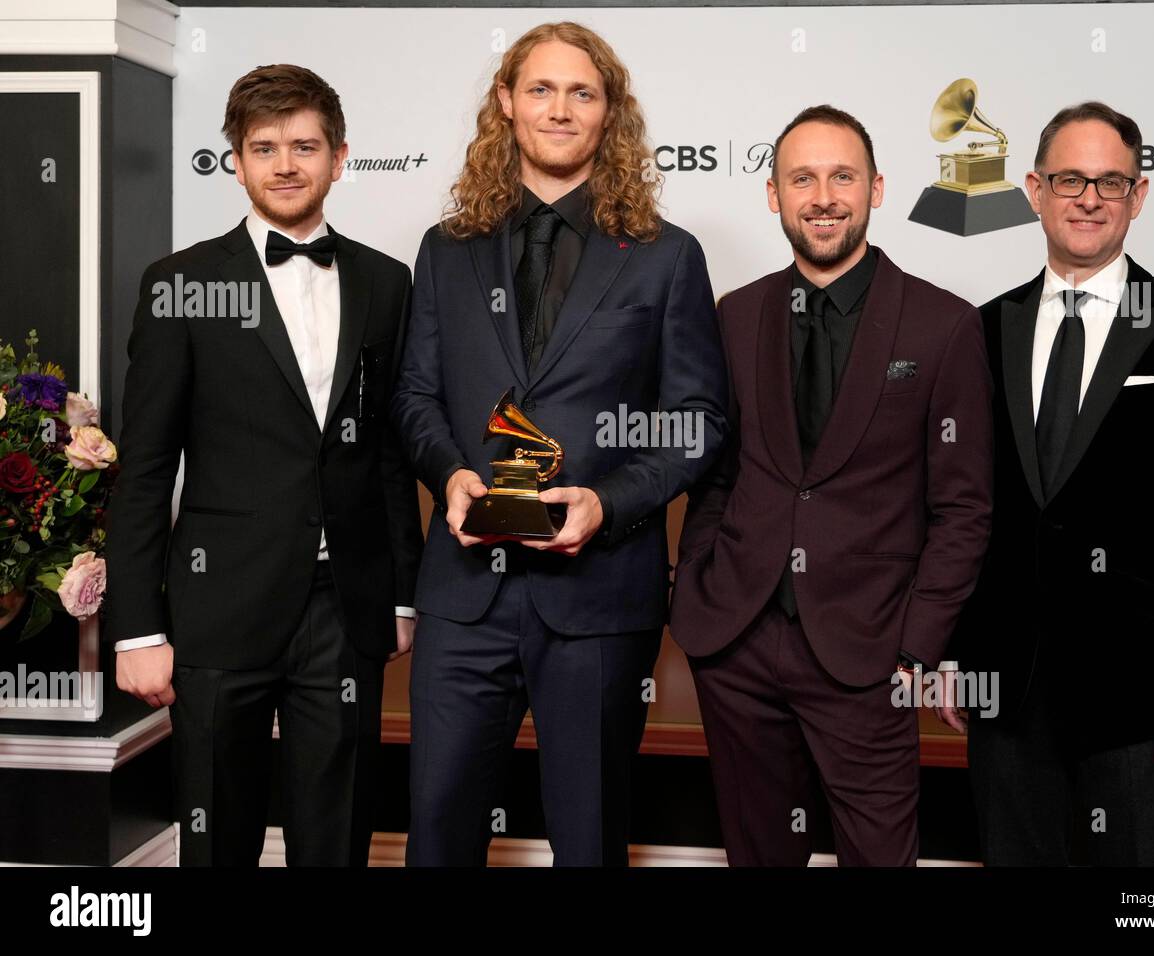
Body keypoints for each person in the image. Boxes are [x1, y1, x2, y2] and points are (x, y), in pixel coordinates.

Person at [392, 22, 728, 867]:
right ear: (505, 103)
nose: (560, 109)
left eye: (583, 92)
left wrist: (606, 503)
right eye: (540, 89)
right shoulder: (447, 250)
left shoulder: (665, 257)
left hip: (600, 596)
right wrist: (452, 474)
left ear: (609, 112)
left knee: (589, 838)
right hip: (464, 593)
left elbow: (699, 421)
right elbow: (415, 396)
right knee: (437, 832)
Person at [107, 64, 423, 866]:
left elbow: (386, 451)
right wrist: (137, 627)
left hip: (343, 609)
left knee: (338, 834)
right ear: (237, 162)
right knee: (217, 836)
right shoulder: (180, 285)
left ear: (339, 156)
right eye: (265, 147)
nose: (286, 163)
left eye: (305, 146)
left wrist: (401, 595)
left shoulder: (387, 284)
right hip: (217, 606)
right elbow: (144, 468)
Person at [940, 101, 1154, 866]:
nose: (1089, 198)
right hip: (1007, 683)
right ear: (1033, 189)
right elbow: (960, 503)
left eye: (1110, 182)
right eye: (1070, 179)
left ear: (1139, 195)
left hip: (1141, 693)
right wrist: (956, 652)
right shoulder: (981, 331)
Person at [670, 105, 994, 866]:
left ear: (877, 189)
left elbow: (964, 508)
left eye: (842, 176)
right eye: (802, 178)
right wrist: (701, 592)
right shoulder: (738, 314)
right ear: (773, 195)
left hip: (869, 654)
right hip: (737, 645)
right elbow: (715, 475)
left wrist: (915, 650)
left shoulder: (942, 326)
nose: (824, 196)